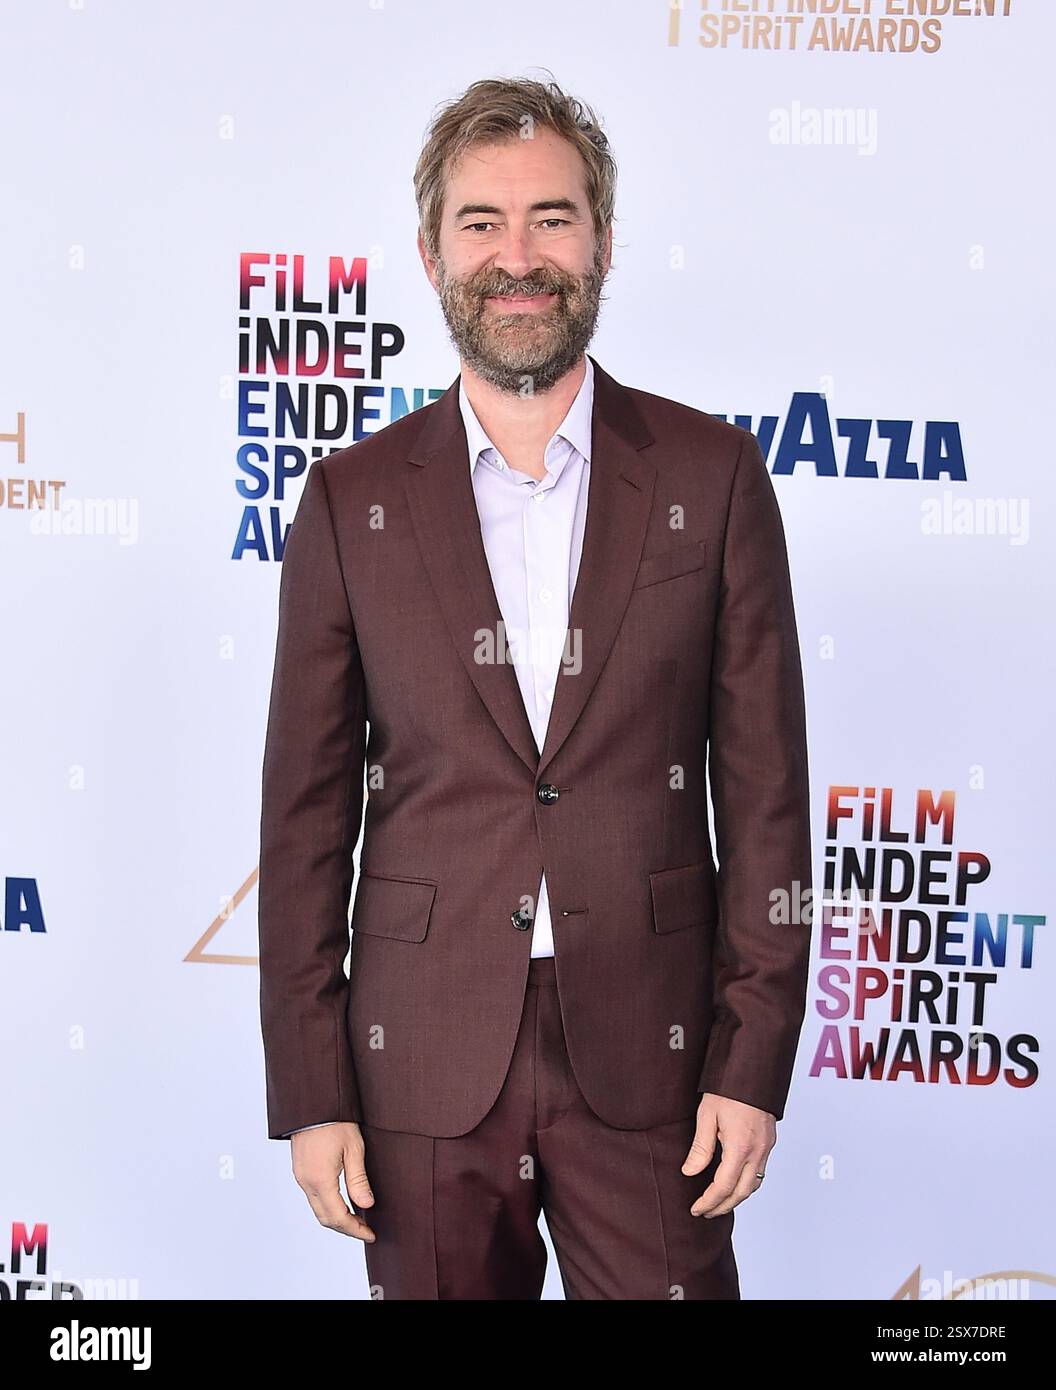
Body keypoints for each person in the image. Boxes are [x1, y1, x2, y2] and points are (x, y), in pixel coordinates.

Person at [257, 74, 812, 1300]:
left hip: (657, 1064)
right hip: (423, 1066)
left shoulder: (713, 478)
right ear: (428, 252)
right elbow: (303, 819)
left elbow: (770, 799)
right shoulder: (353, 502)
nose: (520, 258)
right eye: (481, 224)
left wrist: (751, 1059)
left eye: (553, 219)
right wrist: (311, 1091)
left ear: (602, 238)